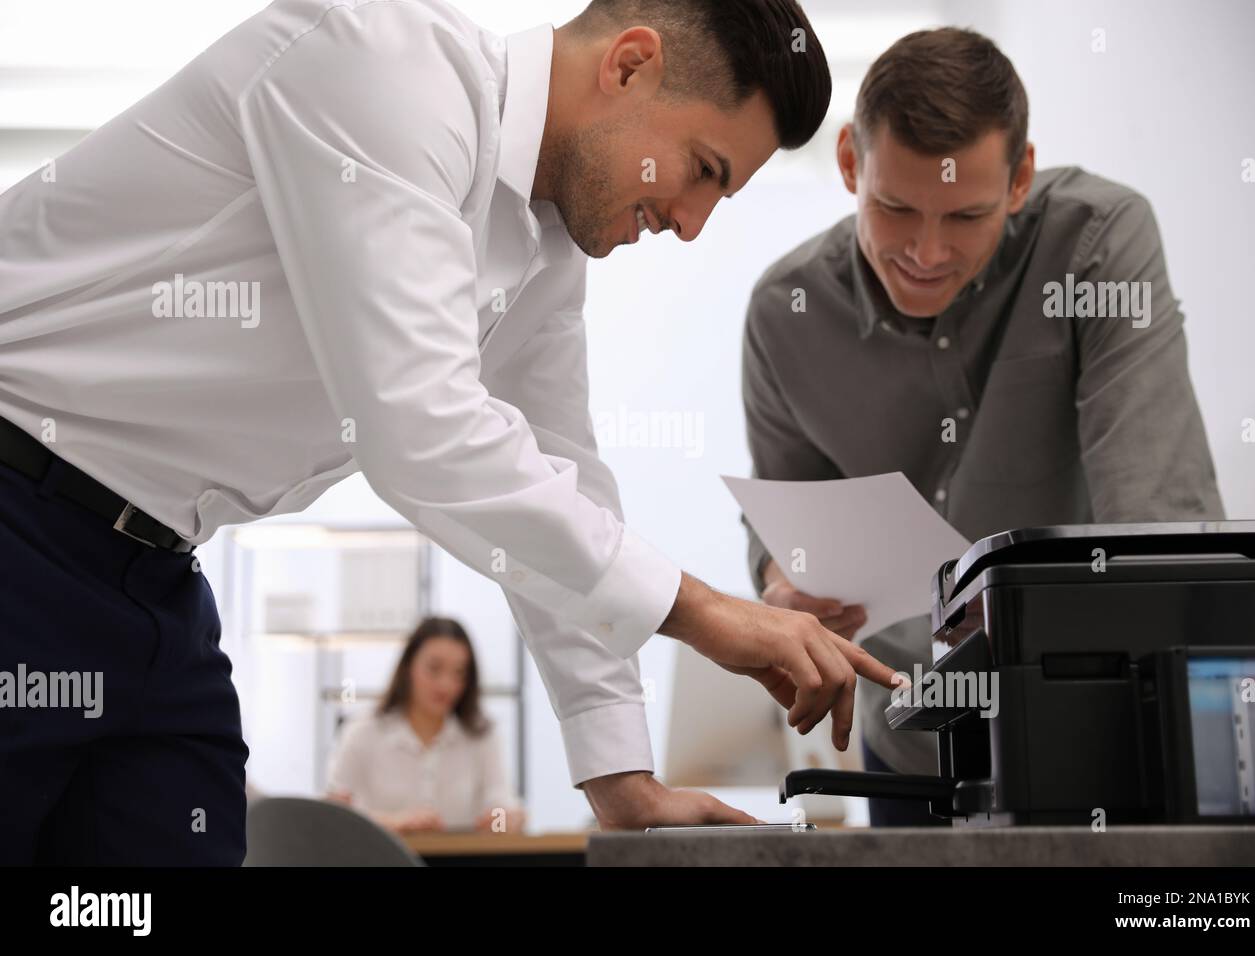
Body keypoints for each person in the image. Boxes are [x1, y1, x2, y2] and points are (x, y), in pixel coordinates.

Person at [0, 0, 899, 865]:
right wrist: (709, 617)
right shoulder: (387, 62)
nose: (692, 224)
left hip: (153, 576)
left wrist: (620, 775)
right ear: (630, 66)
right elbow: (418, 426)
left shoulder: (544, 258)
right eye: (704, 169)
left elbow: (560, 485)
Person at [742, 27, 1224, 826]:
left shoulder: (1098, 245)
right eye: (896, 208)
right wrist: (780, 584)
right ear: (851, 165)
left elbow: (1157, 527)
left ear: (1019, 178)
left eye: (965, 216)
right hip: (914, 742)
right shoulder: (784, 315)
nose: (927, 252)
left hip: (1098, 727)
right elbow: (783, 527)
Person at [326, 617, 522, 834]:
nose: (446, 684)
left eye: (459, 673)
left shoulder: (482, 734)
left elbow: (500, 804)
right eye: (434, 669)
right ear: (409, 666)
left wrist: (503, 820)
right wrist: (394, 823)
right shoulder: (363, 731)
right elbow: (333, 814)